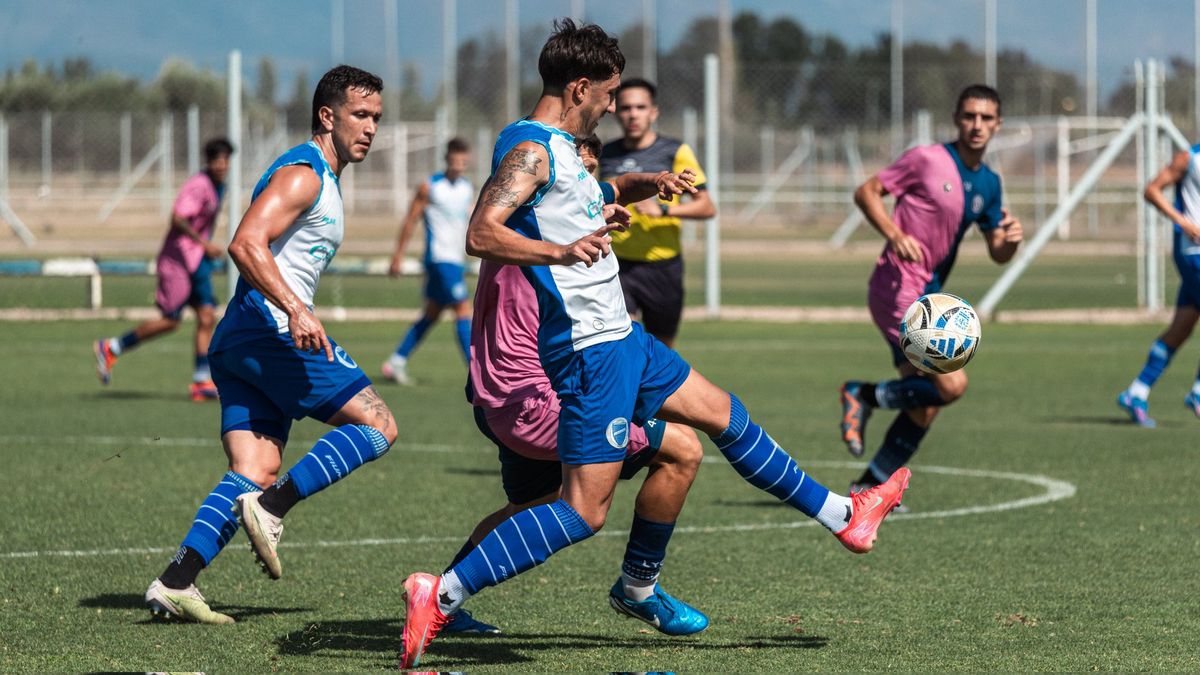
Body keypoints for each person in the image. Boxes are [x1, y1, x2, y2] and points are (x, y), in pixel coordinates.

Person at [397, 19, 909, 668]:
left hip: (624, 337)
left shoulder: (562, 148)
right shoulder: (530, 151)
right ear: (579, 87)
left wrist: (623, 200)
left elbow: (582, 200)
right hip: (590, 352)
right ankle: (440, 591)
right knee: (582, 511)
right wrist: (559, 249)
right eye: (608, 94)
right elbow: (481, 232)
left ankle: (844, 514)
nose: (613, 105)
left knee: (723, 412)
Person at [143, 66, 398, 624]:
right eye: (360, 115)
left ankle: (176, 581)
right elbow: (244, 243)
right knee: (379, 426)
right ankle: (274, 507)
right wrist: (296, 307)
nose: (371, 128)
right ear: (327, 116)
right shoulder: (305, 174)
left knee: (254, 465)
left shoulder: (319, 175)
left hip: (240, 335)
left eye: (377, 117)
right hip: (270, 330)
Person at [440, 157, 708, 636]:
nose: (588, 188)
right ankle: (638, 588)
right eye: (578, 174)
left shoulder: (529, 225)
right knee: (682, 450)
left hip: (498, 398)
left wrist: (647, 184)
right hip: (533, 400)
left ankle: (439, 598)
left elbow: (615, 188)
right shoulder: (535, 245)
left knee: (530, 506)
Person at [839, 84, 1023, 501]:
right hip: (897, 285)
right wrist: (894, 232)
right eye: (969, 116)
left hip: (928, 294)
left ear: (998, 125)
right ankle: (862, 395)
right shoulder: (928, 159)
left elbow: (998, 253)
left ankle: (868, 487)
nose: (977, 125)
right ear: (957, 118)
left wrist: (1012, 239)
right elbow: (866, 191)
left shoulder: (990, 183)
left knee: (927, 404)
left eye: (986, 118)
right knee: (952, 385)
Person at [94, 138, 234, 401]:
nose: (222, 165)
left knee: (206, 316)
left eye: (226, 160)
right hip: (177, 259)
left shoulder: (220, 187)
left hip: (197, 261)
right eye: (218, 160)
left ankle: (201, 382)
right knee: (171, 320)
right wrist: (204, 243)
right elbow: (177, 218)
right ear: (208, 162)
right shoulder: (199, 185)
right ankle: (112, 347)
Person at [599, 77, 715, 348]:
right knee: (622, 344)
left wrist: (664, 210)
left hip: (663, 266)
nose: (633, 115)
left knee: (662, 352)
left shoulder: (674, 151)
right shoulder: (605, 154)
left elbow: (707, 206)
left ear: (654, 112)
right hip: (618, 265)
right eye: (626, 108)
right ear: (616, 111)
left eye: (640, 107)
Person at [1116, 145, 1200, 427]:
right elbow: (1152, 189)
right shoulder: (1189, 158)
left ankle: (1136, 392)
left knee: (1181, 328)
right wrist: (1183, 222)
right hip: (1193, 253)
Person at [383, 137, 475, 385]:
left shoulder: (467, 188)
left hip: (455, 259)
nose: (459, 166)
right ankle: (477, 373)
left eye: (463, 162)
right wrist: (398, 255)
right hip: (438, 259)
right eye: (455, 161)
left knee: (432, 314)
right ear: (446, 159)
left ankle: (396, 361)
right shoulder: (431, 186)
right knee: (463, 310)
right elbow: (410, 220)